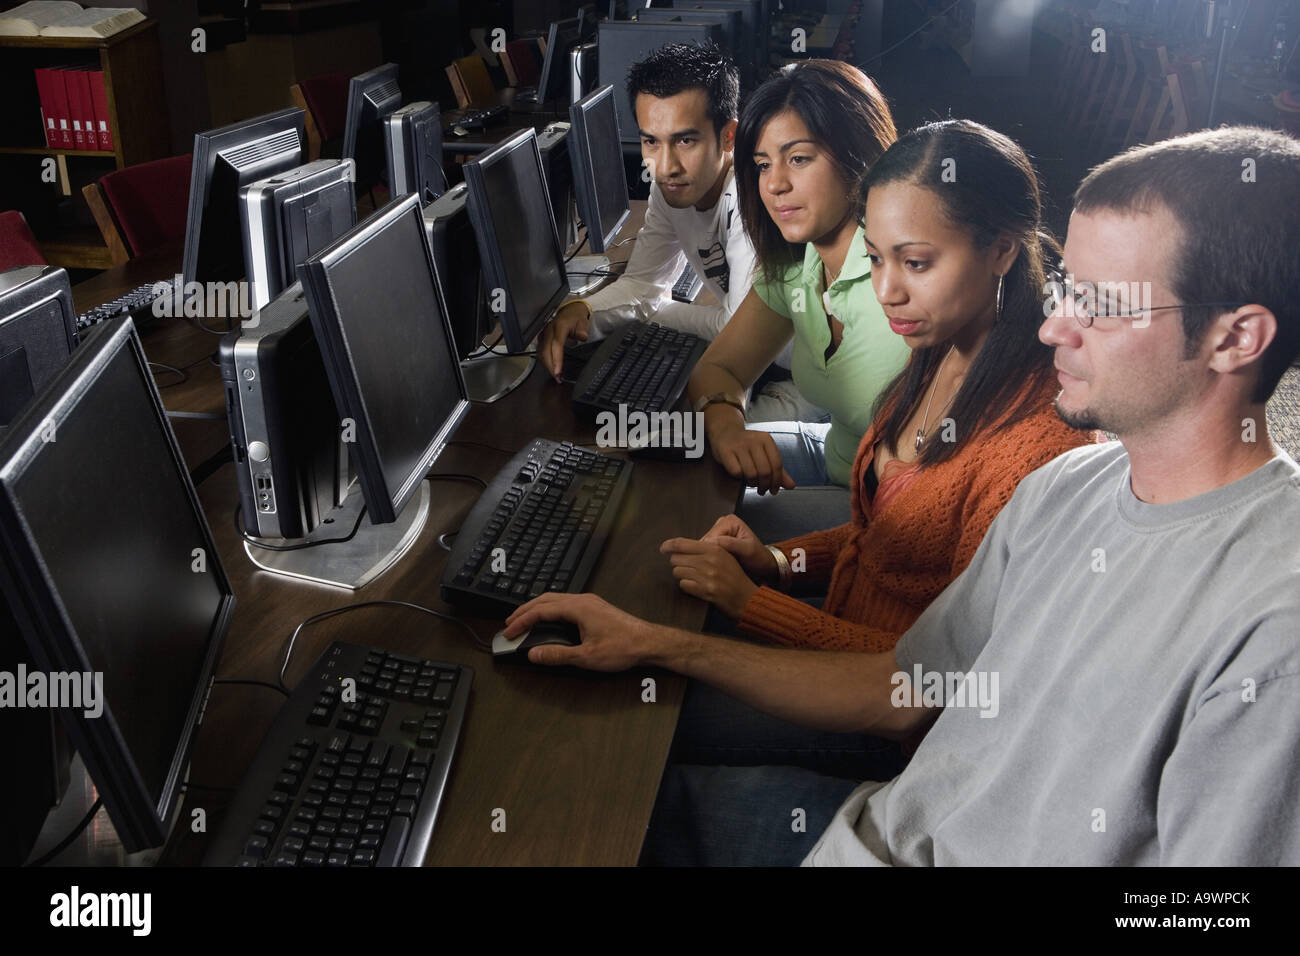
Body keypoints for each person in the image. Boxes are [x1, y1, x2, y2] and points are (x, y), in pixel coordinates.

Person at [503, 125, 1300, 866]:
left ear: (1237, 338)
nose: (1055, 328)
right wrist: (655, 643)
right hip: (878, 831)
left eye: (1102, 305)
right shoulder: (1068, 489)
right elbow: (900, 689)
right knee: (599, 790)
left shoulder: (1275, 623)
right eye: (1067, 289)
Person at [664, 120, 1097, 659]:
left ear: (1002, 252)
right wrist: (777, 564)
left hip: (893, 717)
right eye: (874, 258)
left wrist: (753, 604)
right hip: (840, 632)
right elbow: (883, 543)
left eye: (915, 263)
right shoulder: (939, 343)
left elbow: (935, 682)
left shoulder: (1031, 449)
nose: (887, 291)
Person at [535, 43, 809, 421]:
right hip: (757, 370)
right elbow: (644, 284)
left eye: (685, 140)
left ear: (729, 136)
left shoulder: (754, 194)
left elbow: (734, 327)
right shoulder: (671, 188)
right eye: (651, 141)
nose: (665, 167)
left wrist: (653, 313)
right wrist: (584, 309)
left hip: (809, 382)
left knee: (694, 448)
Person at [686, 59, 911, 496]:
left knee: (704, 531)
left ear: (857, 156)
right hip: (833, 455)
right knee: (680, 470)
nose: (775, 185)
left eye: (799, 159)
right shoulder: (796, 264)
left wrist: (788, 563)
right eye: (763, 164)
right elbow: (719, 368)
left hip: (883, 508)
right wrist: (728, 427)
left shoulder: (907, 274)